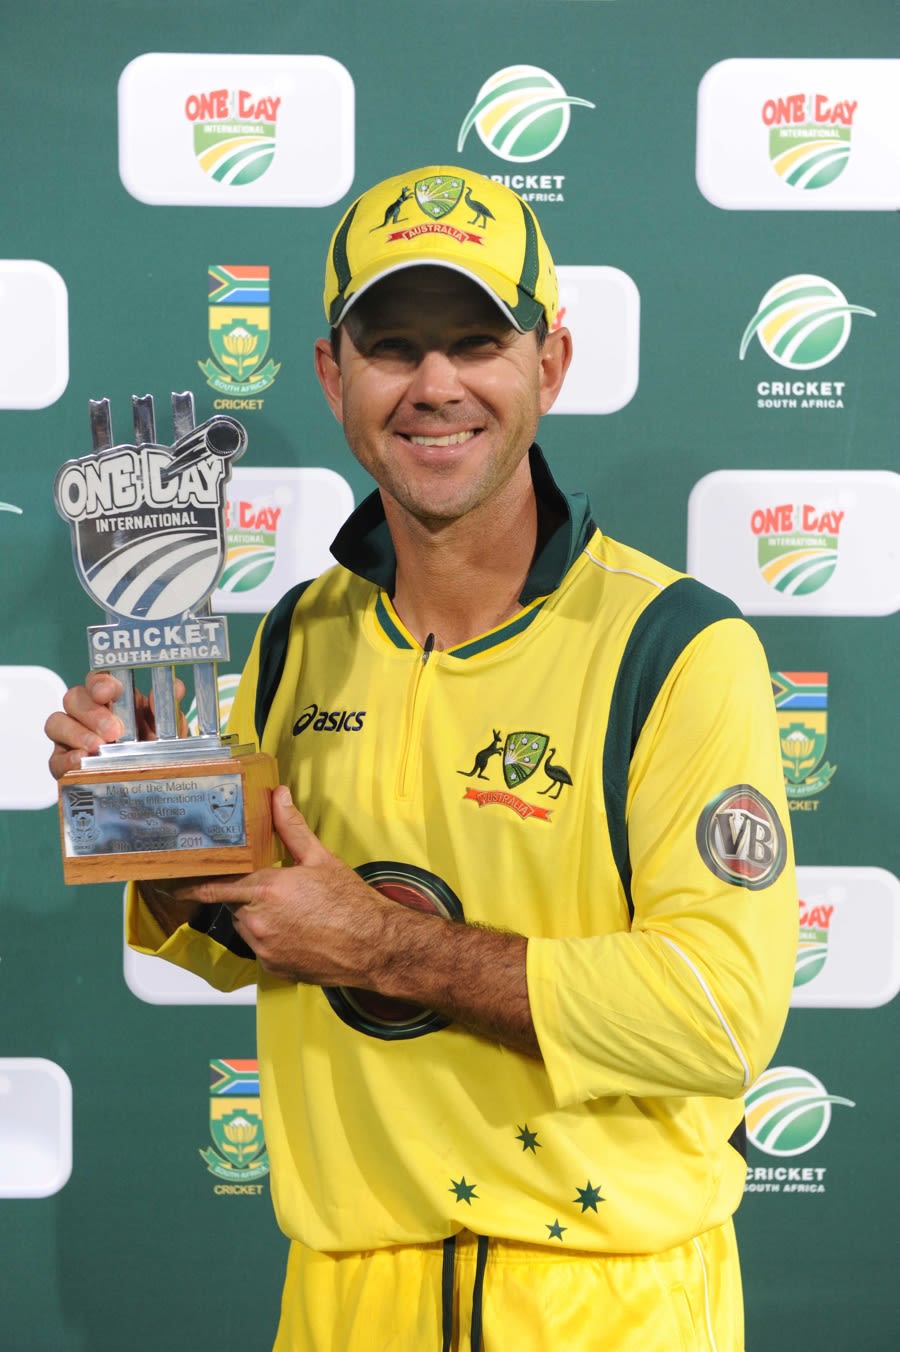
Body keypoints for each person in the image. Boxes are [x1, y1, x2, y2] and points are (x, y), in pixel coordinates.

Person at [46, 164, 797, 1351]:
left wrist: (384, 941)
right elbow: (257, 930)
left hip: (601, 1301)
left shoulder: (676, 644)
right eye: (392, 345)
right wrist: (147, 809)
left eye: (477, 341)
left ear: (547, 363)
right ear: (333, 375)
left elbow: (718, 1018)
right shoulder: (303, 631)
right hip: (347, 1298)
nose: (436, 383)